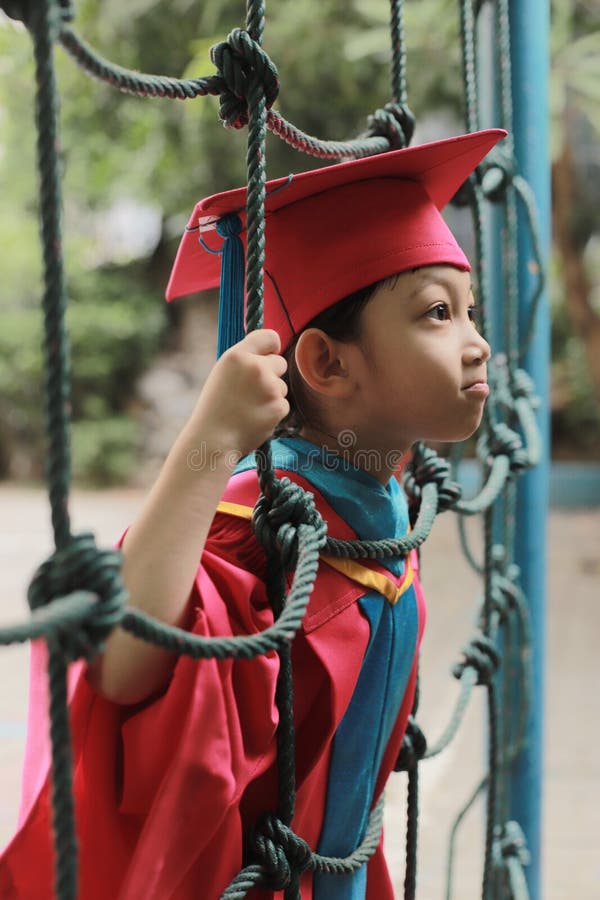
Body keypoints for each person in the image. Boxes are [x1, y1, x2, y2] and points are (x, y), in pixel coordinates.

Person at [0, 127, 505, 899]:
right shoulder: (268, 529)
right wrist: (211, 437)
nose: (476, 345)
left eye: (471, 313)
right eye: (437, 314)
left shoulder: (380, 513)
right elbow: (126, 664)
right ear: (328, 364)